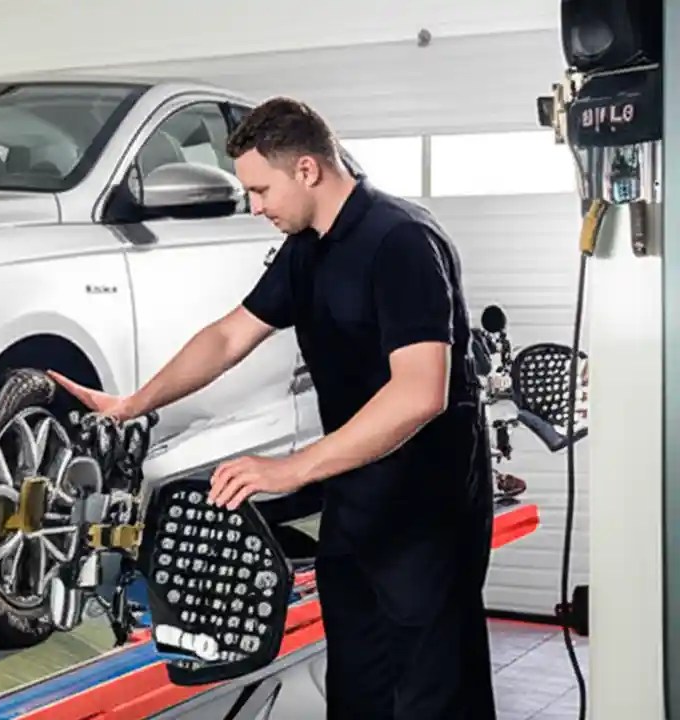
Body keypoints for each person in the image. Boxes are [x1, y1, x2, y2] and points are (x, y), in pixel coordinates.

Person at [49, 97, 496, 720]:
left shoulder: (401, 241)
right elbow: (229, 336)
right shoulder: (309, 248)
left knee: (433, 695)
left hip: (426, 509)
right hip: (355, 496)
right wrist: (134, 403)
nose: (255, 206)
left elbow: (421, 392)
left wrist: (289, 469)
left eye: (261, 189)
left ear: (307, 170)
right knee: (359, 685)